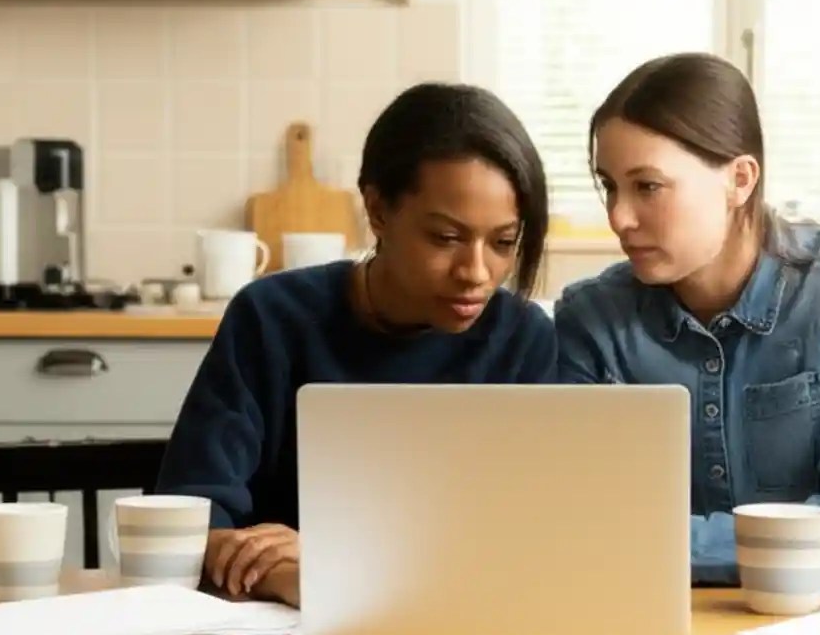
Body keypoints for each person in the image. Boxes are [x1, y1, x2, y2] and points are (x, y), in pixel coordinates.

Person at [155, 82, 558, 606]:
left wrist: (329, 566)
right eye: (446, 238)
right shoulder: (272, 318)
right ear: (378, 210)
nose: (477, 273)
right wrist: (283, 575)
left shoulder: (524, 340)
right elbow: (188, 520)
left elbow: (533, 540)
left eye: (504, 243)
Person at [553, 52, 820, 586]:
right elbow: (574, 525)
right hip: (675, 623)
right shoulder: (592, 320)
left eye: (648, 186)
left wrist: (651, 544)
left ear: (740, 180)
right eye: (610, 186)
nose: (619, 217)